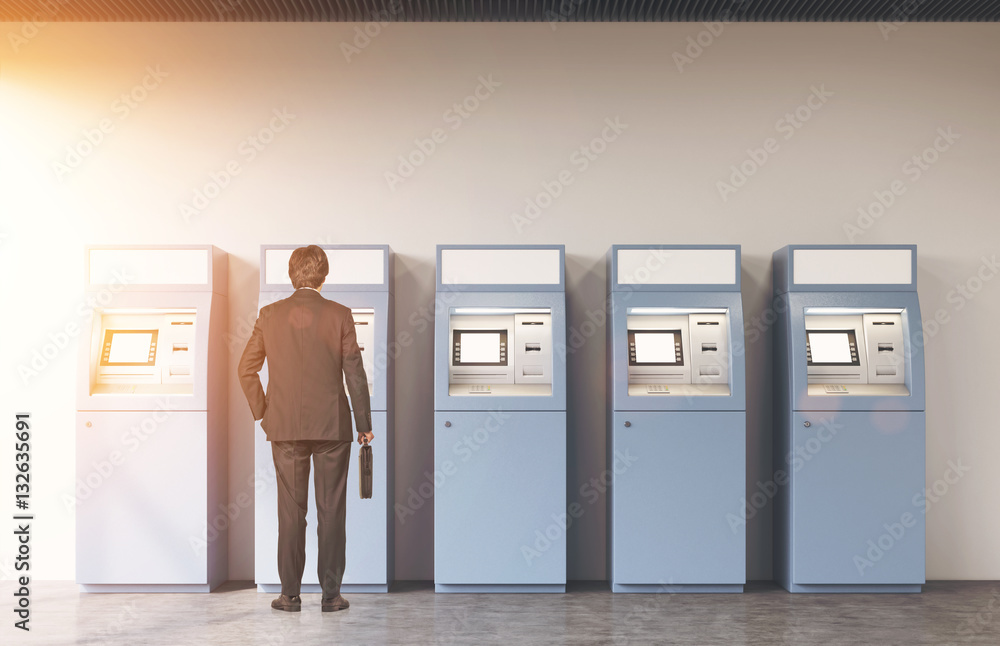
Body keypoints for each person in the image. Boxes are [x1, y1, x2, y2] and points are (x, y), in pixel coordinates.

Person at [238, 245, 374, 612]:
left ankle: (289, 595)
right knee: (331, 512)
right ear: (323, 275)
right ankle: (331, 596)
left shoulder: (269, 315)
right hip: (332, 427)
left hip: (284, 428)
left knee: (290, 512)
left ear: (291, 274)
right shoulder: (340, 315)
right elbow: (354, 374)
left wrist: (264, 413)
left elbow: (245, 369)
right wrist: (364, 424)